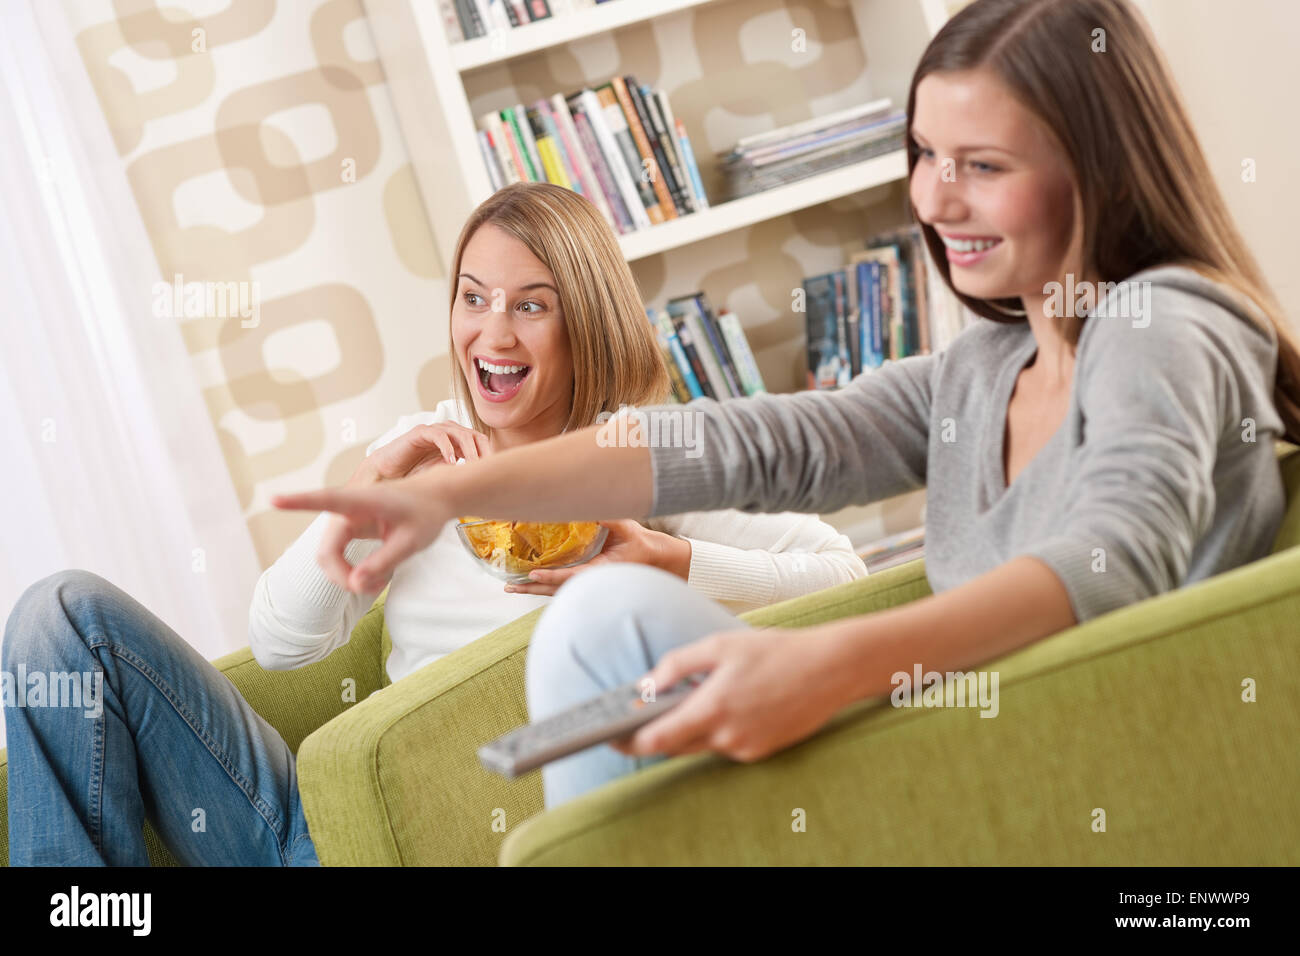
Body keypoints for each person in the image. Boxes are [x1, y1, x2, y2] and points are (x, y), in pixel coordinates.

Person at [272, 0, 1300, 810]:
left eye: (980, 166)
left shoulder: (1164, 321)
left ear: (1097, 170)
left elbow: (1111, 555)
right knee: (605, 612)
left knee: (602, 616)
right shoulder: (989, 365)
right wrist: (452, 493)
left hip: (1090, 762)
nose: (934, 202)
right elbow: (755, 443)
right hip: (976, 737)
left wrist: (821, 666)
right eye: (924, 158)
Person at [1, 184, 864, 866]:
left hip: (448, 838)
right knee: (59, 614)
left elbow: (844, 580)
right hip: (307, 835)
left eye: (532, 305)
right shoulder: (417, 461)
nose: (493, 331)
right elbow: (279, 646)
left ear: (586, 321)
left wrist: (669, 564)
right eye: (473, 297)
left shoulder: (642, 457)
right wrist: (370, 490)